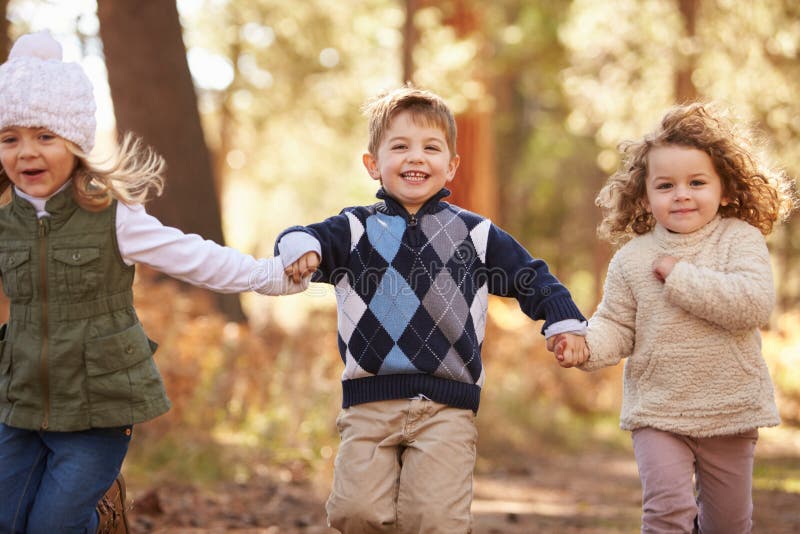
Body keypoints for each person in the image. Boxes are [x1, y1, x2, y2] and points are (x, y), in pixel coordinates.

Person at [0, 32, 307, 533]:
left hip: (98, 404)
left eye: (44, 136)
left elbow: (192, 256)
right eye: (10, 138)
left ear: (75, 142)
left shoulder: (110, 216)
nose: (25, 152)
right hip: (21, 402)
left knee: (52, 526)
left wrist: (266, 275)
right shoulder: (5, 217)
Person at [277, 85, 589, 533]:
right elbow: (299, 236)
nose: (415, 158)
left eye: (431, 147)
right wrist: (300, 248)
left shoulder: (475, 235)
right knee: (354, 512)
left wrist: (563, 321)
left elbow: (531, 276)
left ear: (452, 165)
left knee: (435, 519)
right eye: (399, 147)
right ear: (372, 164)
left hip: (447, 406)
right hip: (370, 402)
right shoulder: (353, 230)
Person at [554, 102, 795, 532]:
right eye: (666, 185)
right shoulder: (632, 259)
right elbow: (616, 325)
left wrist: (679, 277)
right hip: (658, 410)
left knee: (728, 524)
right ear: (645, 195)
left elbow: (753, 305)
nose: (681, 194)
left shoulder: (739, 239)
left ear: (724, 189)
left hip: (729, 409)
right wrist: (584, 344)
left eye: (697, 182)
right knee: (667, 513)